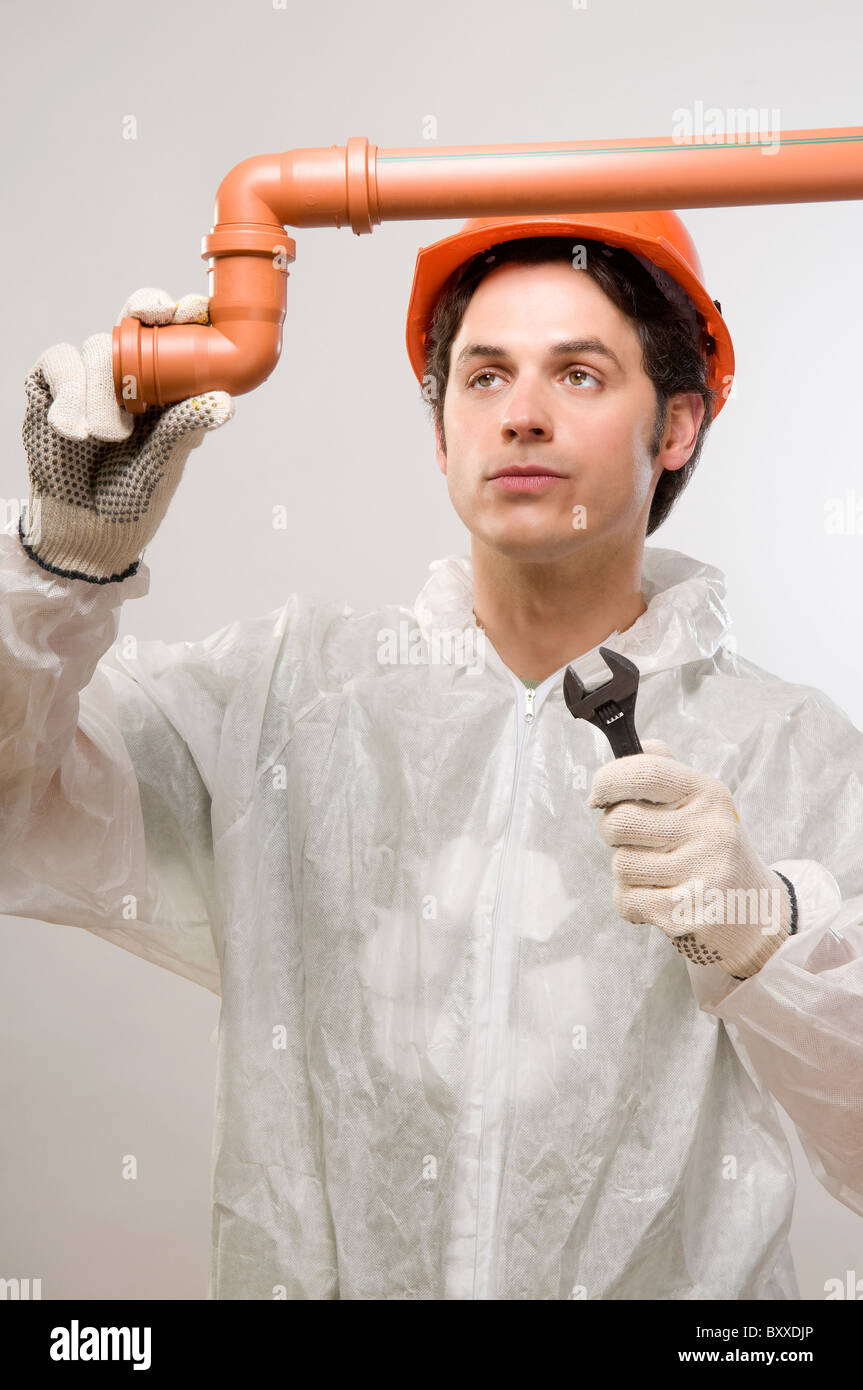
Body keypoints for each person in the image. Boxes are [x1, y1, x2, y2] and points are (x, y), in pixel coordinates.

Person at [2, 212, 861, 1301]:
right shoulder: (286, 700)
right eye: (485, 375)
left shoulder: (784, 749)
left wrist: (769, 934)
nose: (522, 417)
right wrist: (59, 568)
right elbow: (14, 793)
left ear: (677, 424)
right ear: (441, 431)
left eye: (581, 375)